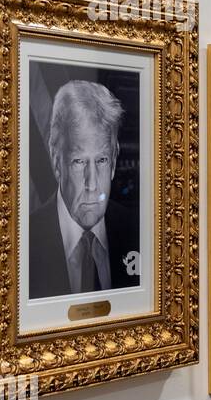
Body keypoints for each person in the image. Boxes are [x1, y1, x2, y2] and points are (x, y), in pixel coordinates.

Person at [29, 80, 139, 299]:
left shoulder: (139, 231)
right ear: (56, 160)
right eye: (79, 161)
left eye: (101, 160)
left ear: (115, 160)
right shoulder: (23, 242)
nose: (92, 184)